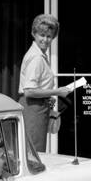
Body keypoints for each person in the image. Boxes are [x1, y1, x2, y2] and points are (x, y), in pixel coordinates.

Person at [19, 13, 72, 161]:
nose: (45, 39)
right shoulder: (36, 57)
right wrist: (58, 92)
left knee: (35, 152)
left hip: (39, 107)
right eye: (42, 35)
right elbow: (29, 91)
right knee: (34, 154)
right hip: (33, 108)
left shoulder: (40, 55)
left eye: (49, 36)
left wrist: (48, 96)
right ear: (33, 34)